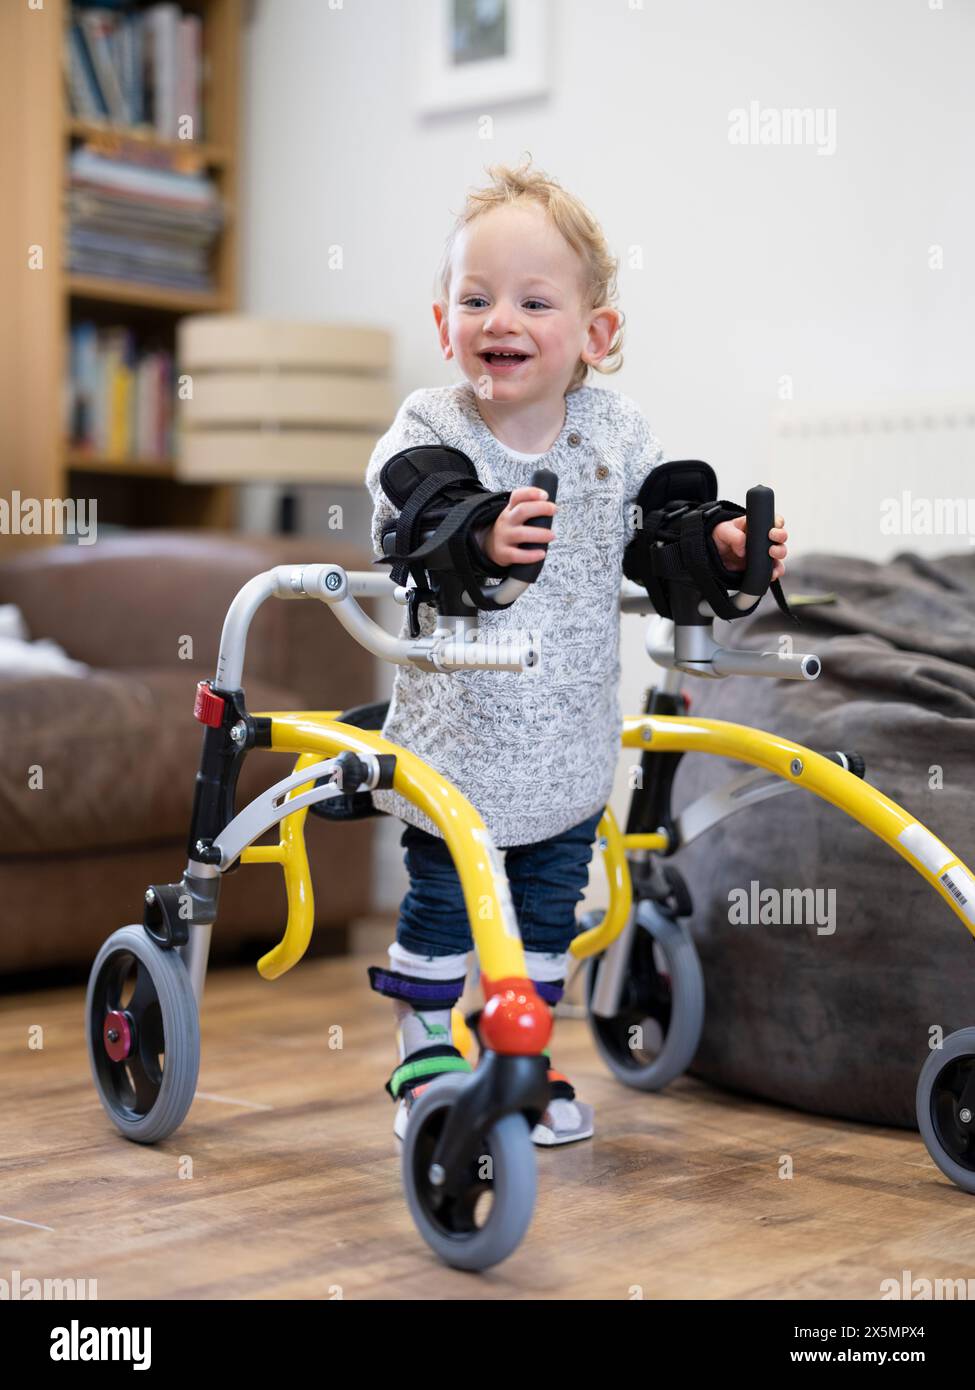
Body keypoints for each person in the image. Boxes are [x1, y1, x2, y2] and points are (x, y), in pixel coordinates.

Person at [364, 158, 788, 1144]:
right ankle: (426, 1043)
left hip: (567, 747)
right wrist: (473, 528)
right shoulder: (432, 423)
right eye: (474, 298)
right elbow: (412, 498)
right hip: (457, 742)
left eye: (532, 300)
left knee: (548, 915)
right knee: (447, 905)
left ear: (595, 334)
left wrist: (719, 541)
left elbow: (662, 518)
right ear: (443, 325)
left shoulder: (612, 430)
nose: (498, 319)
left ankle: (521, 1052)